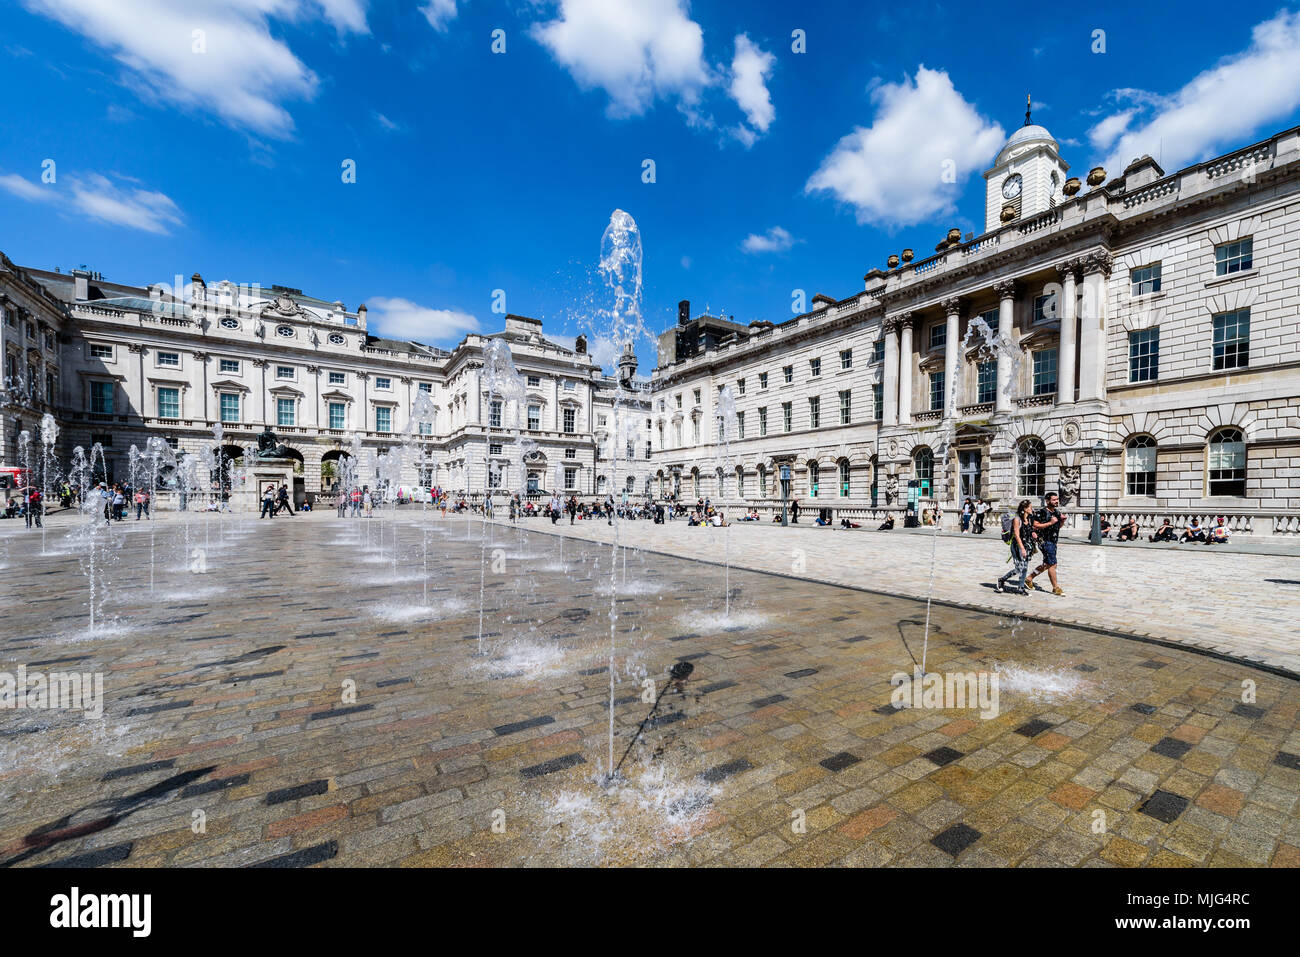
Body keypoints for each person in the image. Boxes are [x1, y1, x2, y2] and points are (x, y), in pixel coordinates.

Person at [1024, 491, 1067, 596]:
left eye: (1057, 499)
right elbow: (1035, 525)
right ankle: (1055, 588)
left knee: (1047, 564)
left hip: (1053, 541)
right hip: (1044, 541)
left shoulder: (1056, 512)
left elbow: (1057, 527)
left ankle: (1029, 579)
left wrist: (1062, 522)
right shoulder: (1041, 512)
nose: (1056, 501)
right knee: (1052, 564)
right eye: (1054, 500)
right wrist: (1050, 523)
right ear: (1047, 501)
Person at [996, 499, 1035, 595]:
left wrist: (1033, 535)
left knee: (1025, 567)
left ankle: (1020, 588)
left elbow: (1028, 531)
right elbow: (1017, 535)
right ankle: (1002, 579)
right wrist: (1022, 548)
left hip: (1027, 545)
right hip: (1017, 546)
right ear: (1025, 509)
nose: (1032, 509)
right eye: (1030, 507)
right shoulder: (1017, 519)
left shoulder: (1029, 518)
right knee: (1019, 568)